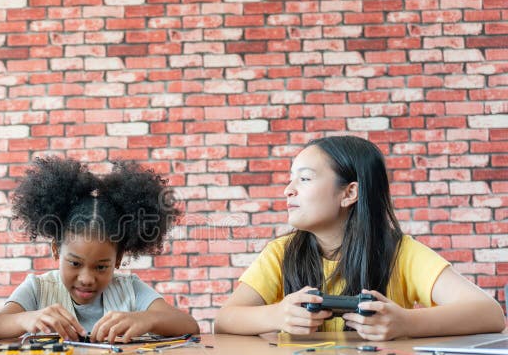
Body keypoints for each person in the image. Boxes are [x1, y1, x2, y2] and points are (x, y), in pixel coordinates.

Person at [215, 135, 505, 341]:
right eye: (291, 178)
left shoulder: (400, 252)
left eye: (304, 178)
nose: (288, 190)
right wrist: (277, 315)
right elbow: (224, 320)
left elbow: (490, 313)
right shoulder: (280, 253)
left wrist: (405, 322)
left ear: (350, 193)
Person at [0, 157, 199, 342]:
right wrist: (25, 318)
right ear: (56, 249)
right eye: (75, 263)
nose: (86, 279)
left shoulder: (130, 289)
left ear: (118, 258)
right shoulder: (38, 289)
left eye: (101, 267)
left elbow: (189, 325)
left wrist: (148, 319)